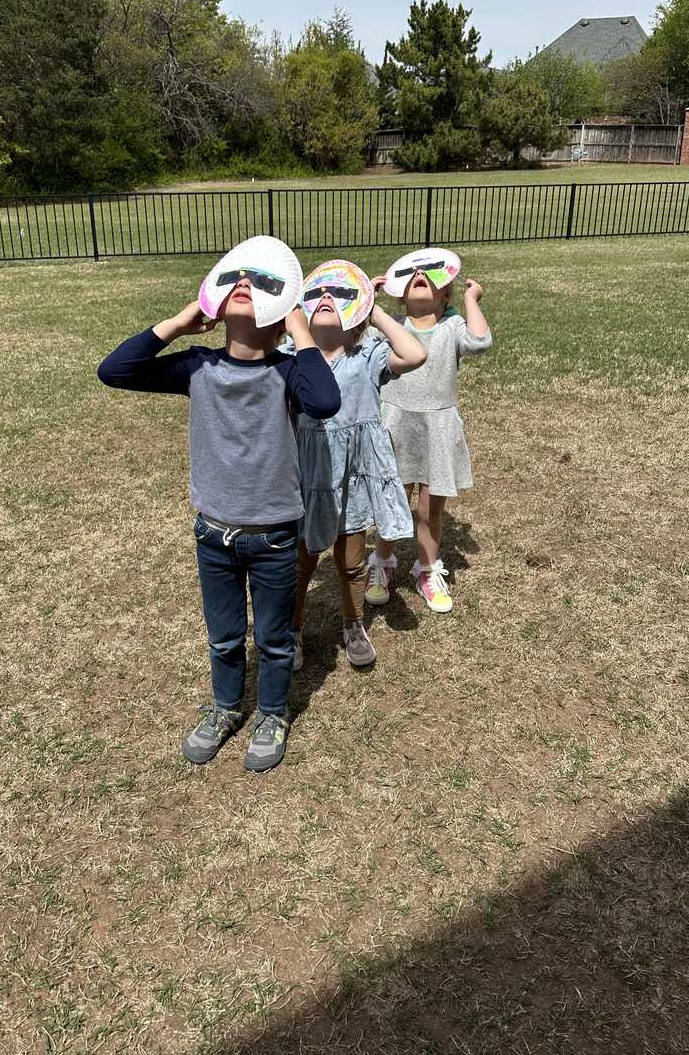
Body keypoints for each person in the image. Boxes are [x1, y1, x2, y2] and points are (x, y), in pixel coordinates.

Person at [97, 237, 340, 774]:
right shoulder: (197, 367)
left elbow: (325, 400)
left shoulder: (289, 372)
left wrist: (300, 334)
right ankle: (227, 708)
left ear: (280, 314)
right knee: (225, 636)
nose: (245, 286)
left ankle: (272, 714)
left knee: (274, 640)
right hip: (214, 533)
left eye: (262, 284)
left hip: (275, 534)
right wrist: (180, 322)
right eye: (236, 280)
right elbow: (115, 371)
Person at [286, 260, 426, 668]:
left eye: (341, 295)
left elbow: (415, 352)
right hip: (306, 474)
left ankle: (353, 624)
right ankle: (290, 629)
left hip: (353, 478)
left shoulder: (367, 357)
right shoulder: (291, 356)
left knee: (350, 562)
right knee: (302, 561)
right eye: (317, 295)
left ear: (355, 317)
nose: (327, 299)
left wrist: (374, 309)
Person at [365, 248, 492, 614]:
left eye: (431, 277)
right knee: (392, 503)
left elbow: (480, 341)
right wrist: (368, 303)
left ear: (445, 294)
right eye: (413, 276)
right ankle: (382, 565)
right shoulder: (390, 325)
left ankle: (426, 570)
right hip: (395, 425)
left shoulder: (452, 326)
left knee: (428, 510)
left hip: (437, 426)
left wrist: (470, 299)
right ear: (401, 293)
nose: (420, 274)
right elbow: (354, 336)